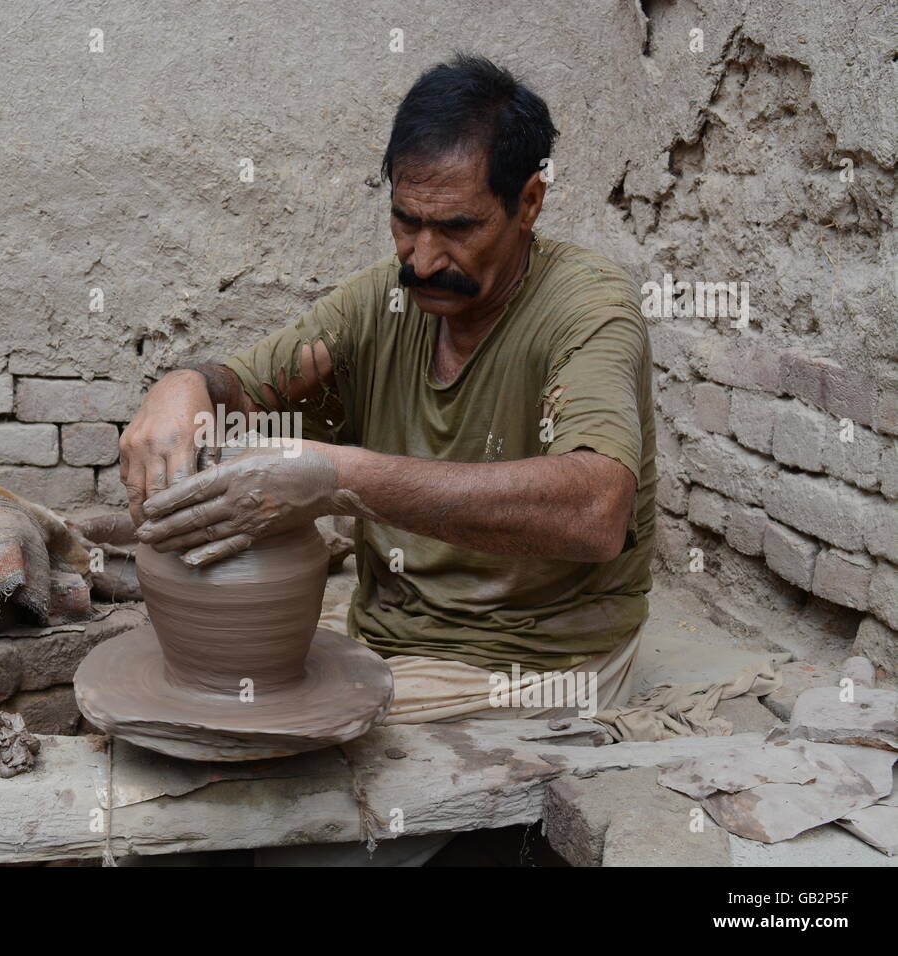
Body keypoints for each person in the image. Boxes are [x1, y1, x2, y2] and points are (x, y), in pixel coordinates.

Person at [120, 51, 655, 728]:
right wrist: (184, 385)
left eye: (458, 228)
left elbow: (597, 511)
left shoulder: (588, 309)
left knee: (263, 751)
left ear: (529, 203)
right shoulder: (382, 304)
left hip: (537, 656)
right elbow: (243, 388)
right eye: (407, 222)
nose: (424, 259)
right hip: (393, 637)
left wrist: (339, 478)